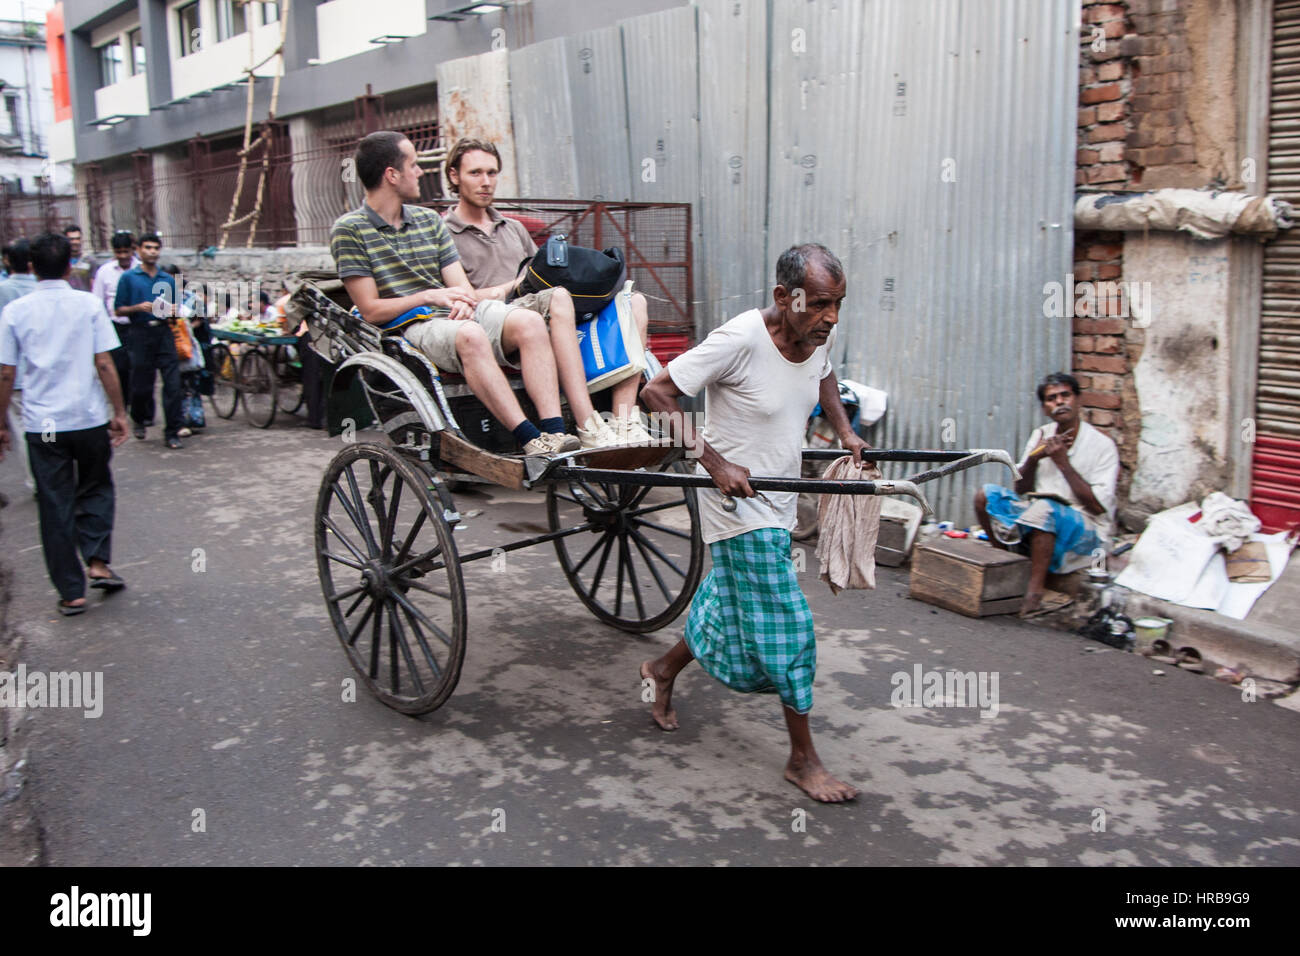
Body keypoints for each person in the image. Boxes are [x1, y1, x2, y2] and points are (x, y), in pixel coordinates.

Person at [638, 243, 866, 804]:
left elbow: (825, 376)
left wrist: (845, 432)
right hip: (735, 505)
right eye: (818, 305)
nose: (830, 318)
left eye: (837, 304)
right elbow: (656, 393)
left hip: (778, 497)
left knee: (728, 602)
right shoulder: (739, 338)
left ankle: (662, 669)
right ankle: (802, 759)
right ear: (782, 298)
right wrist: (713, 463)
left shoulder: (815, 334)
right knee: (789, 624)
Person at [330, 130, 580, 457]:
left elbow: (459, 286)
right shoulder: (350, 230)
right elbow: (371, 309)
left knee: (529, 322)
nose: (420, 172)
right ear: (392, 175)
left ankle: (555, 433)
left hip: (451, 315)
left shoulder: (427, 221)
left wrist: (461, 299)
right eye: (414, 165)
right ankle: (531, 439)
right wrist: (429, 296)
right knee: (471, 335)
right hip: (411, 323)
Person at [443, 137, 652, 447]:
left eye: (492, 173)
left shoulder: (512, 228)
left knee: (633, 301)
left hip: (541, 306)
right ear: (454, 176)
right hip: (494, 321)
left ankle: (624, 420)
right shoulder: (444, 232)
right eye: (475, 173)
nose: (486, 182)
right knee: (558, 298)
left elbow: (539, 273)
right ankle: (588, 425)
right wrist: (510, 287)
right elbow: (461, 297)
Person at [0, 232, 130, 615]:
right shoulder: (87, 304)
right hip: (87, 418)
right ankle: (98, 561)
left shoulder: (17, 311)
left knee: (55, 503)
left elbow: (6, 373)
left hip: (44, 423)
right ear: (70, 265)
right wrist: (119, 412)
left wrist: (2, 423)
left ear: (29, 267)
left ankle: (72, 592)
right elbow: (104, 363)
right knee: (96, 488)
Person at [974, 372, 1119, 618]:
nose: (1060, 402)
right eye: (1052, 398)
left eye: (1065, 395)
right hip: (1039, 516)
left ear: (1077, 400)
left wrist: (1062, 462)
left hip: (1085, 528)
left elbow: (1097, 507)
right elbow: (1020, 489)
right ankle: (1005, 565)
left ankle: (1034, 592)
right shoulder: (1042, 434)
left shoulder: (1102, 446)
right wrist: (1033, 459)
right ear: (1044, 408)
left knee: (1045, 510)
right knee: (985, 497)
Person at [114, 232, 185, 449]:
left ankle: (172, 431)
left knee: (173, 385)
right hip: (139, 333)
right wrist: (138, 307)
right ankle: (139, 418)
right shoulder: (129, 278)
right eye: (147, 248)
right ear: (139, 250)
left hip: (163, 333)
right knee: (142, 386)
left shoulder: (168, 280)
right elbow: (119, 308)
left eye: (155, 248)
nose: (152, 252)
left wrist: (173, 311)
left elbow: (176, 311)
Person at [92, 231, 141, 419]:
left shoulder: (140, 269)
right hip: (115, 326)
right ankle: (125, 403)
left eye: (126, 252)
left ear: (133, 250)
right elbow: (99, 301)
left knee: (139, 367)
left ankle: (140, 408)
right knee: (120, 367)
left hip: (137, 325)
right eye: (118, 252)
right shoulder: (105, 272)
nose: (123, 256)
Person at [64, 224, 95, 292]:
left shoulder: (89, 260)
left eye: (78, 239)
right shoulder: (62, 260)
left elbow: (94, 284)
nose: (75, 242)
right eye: (71, 239)